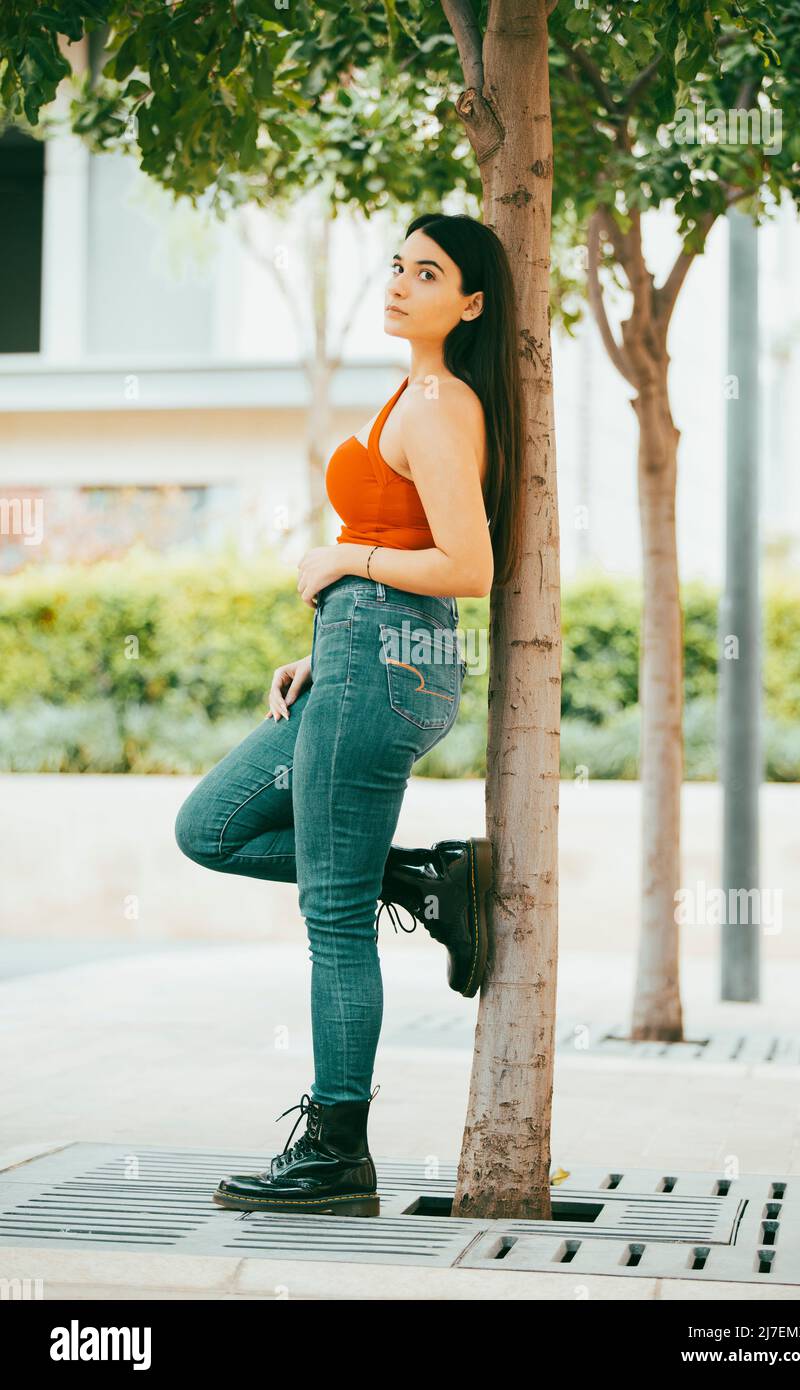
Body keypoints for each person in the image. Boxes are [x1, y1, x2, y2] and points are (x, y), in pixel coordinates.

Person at [174, 210, 524, 1217]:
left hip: (379, 666)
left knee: (332, 917)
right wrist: (323, 643)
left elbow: (467, 566)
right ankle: (422, 875)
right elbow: (408, 539)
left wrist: (341, 564)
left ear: (469, 303)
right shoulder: (415, 394)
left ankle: (335, 1150)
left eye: (428, 273)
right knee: (210, 824)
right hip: (360, 658)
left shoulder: (437, 403)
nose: (401, 283)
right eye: (397, 266)